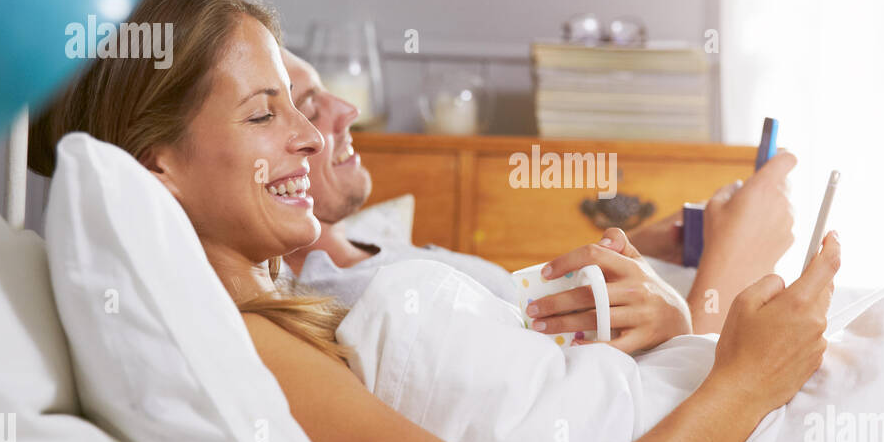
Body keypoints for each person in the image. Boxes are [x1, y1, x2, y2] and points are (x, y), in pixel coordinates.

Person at [29, 0, 840, 442]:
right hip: (751, 438)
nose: (311, 138)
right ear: (157, 162)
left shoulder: (296, 315)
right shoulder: (247, 352)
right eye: (265, 113)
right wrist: (742, 383)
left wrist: (671, 329)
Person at [278, 48, 800, 352]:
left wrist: (626, 253)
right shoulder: (355, 297)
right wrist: (720, 285)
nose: (346, 109)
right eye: (308, 105)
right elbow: (668, 419)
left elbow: (521, 318)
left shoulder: (371, 244)